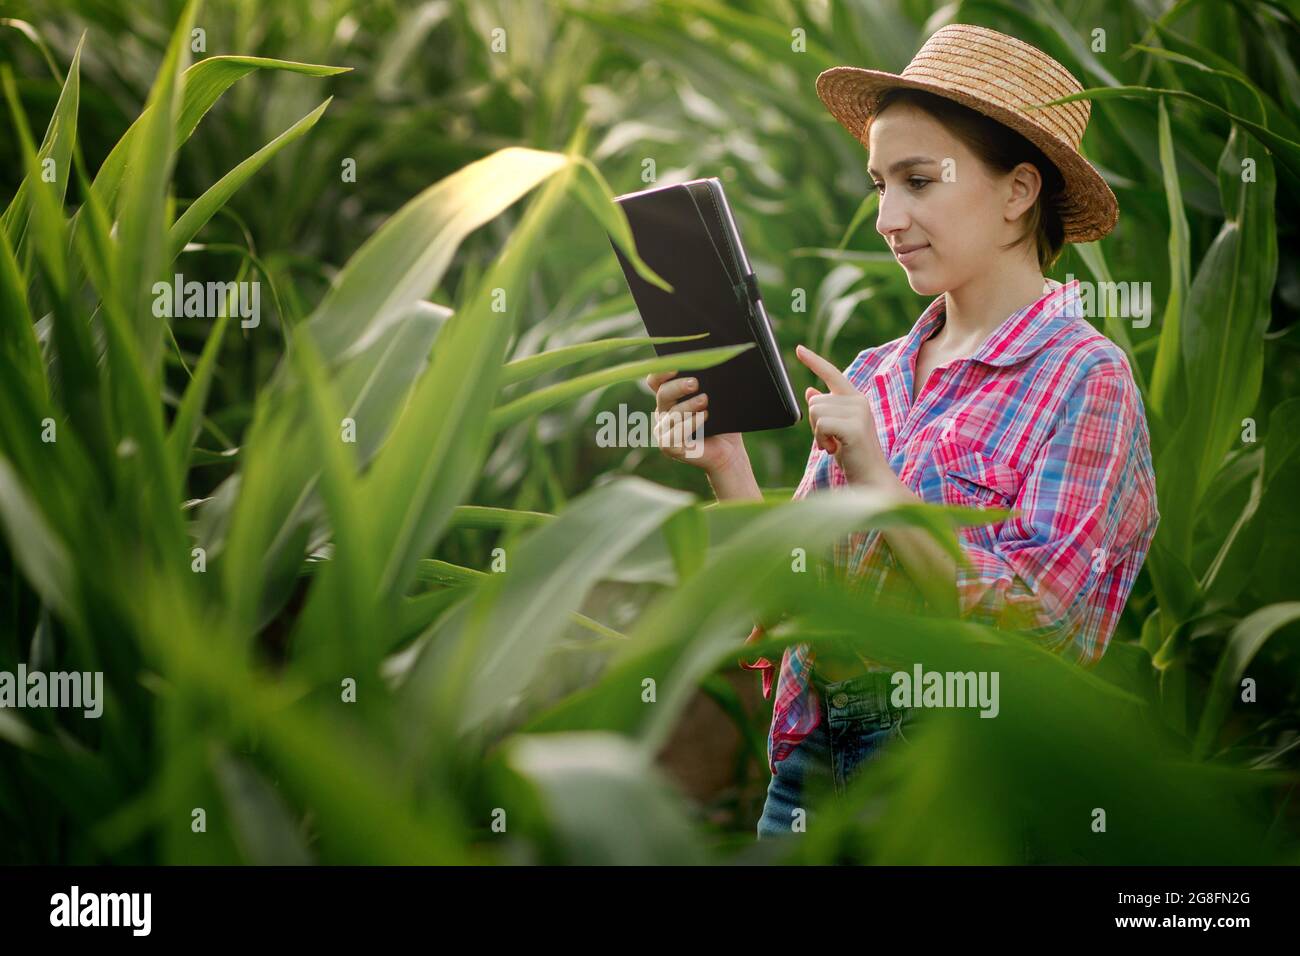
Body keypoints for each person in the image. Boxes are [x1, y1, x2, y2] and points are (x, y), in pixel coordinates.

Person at [645, 24, 1158, 851]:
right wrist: (727, 469)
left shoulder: (1085, 380)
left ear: (1019, 190)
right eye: (881, 184)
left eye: (918, 181)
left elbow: (1051, 635)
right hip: (809, 765)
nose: (888, 217)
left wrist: (885, 490)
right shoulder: (877, 372)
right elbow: (801, 607)